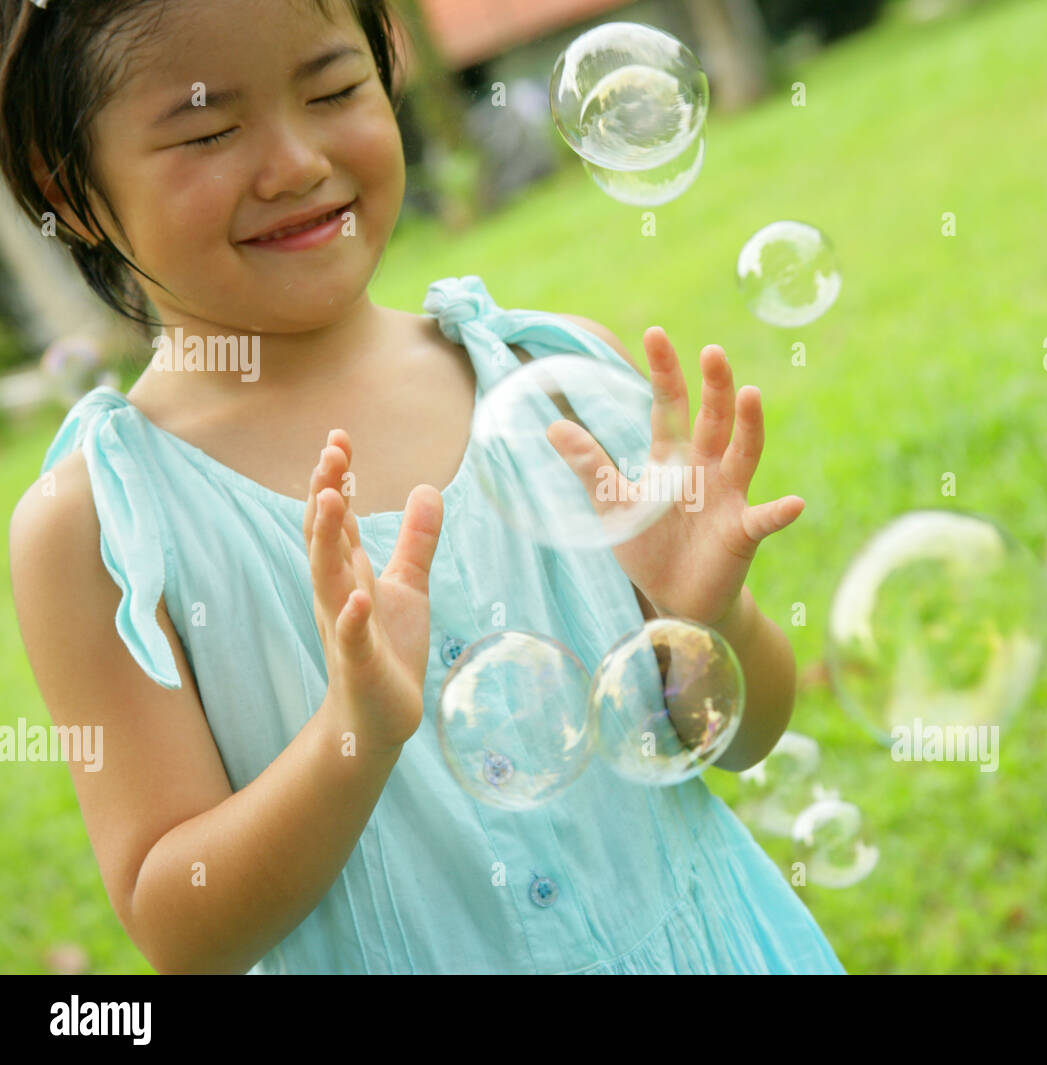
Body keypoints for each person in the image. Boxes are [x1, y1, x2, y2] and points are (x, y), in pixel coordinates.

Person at [3, 0, 845, 974]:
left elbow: (744, 739)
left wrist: (716, 623)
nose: (298, 164)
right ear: (66, 189)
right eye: (208, 130)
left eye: (333, 90)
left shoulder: (555, 381)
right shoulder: (103, 526)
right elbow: (180, 925)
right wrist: (349, 736)